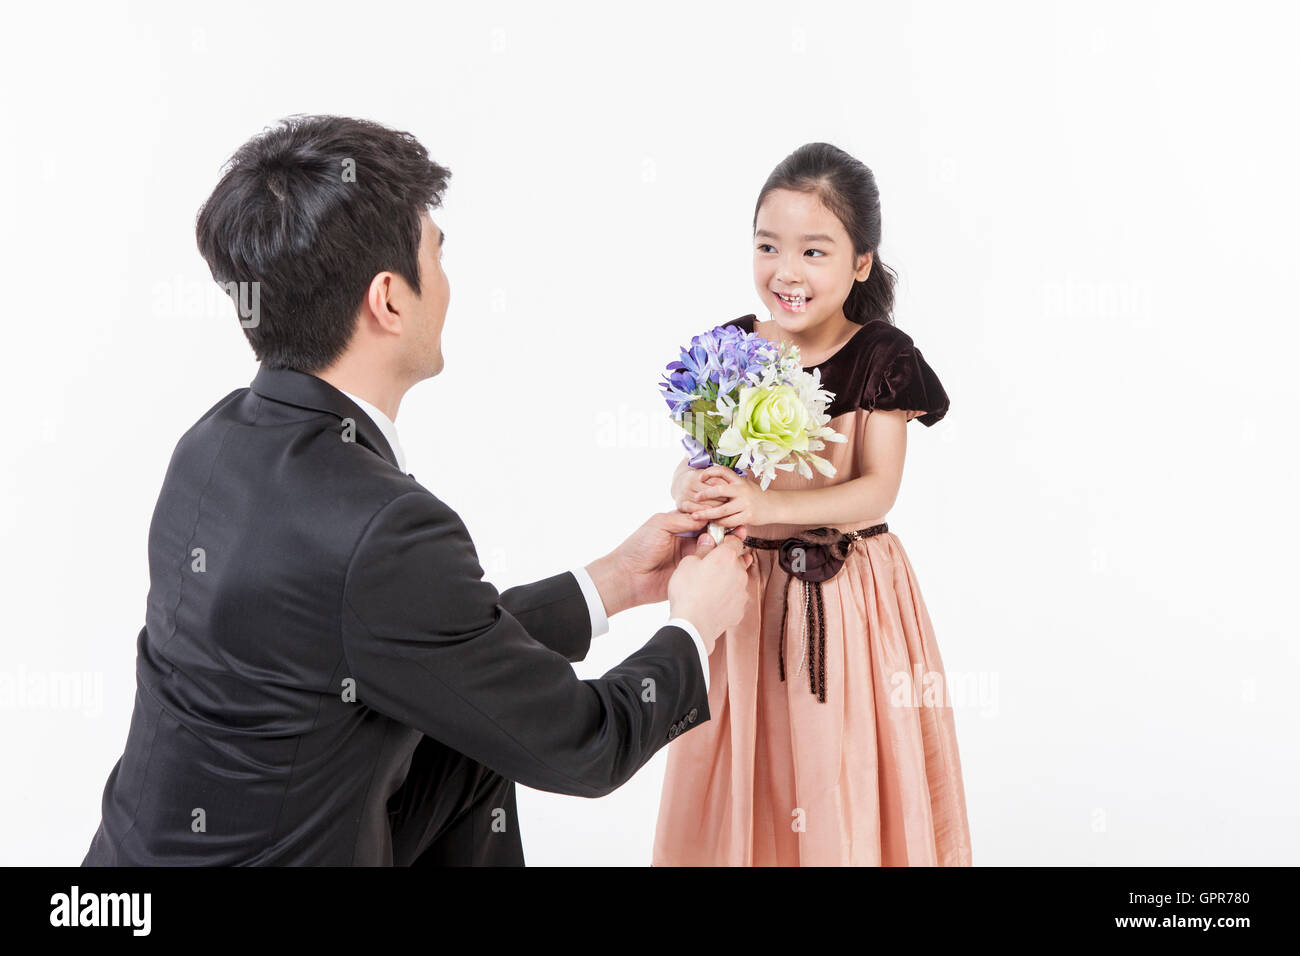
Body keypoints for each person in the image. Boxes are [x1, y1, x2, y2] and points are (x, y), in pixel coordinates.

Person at [80, 114, 752, 866]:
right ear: (390, 299)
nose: (449, 280)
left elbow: (418, 643)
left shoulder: (211, 444)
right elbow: (583, 745)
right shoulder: (385, 528)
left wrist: (615, 582)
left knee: (477, 739)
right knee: (506, 732)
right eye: (438, 252)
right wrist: (695, 626)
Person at [652, 143, 973, 866]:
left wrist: (763, 510)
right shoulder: (733, 346)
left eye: (814, 251)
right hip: (741, 598)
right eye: (768, 246)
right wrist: (689, 484)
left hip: (846, 598)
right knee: (745, 757)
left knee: (843, 761)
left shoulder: (880, 355)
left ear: (861, 262)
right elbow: (702, 458)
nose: (786, 272)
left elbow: (876, 491)